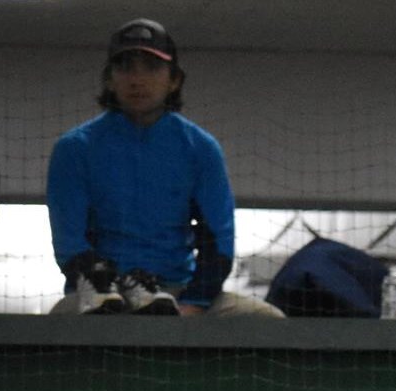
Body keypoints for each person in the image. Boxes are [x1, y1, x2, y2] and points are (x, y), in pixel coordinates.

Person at [46, 19, 283, 317]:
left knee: (267, 320)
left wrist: (192, 306)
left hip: (179, 292)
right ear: (109, 80)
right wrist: (103, 290)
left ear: (174, 80)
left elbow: (218, 241)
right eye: (126, 67)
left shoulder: (200, 148)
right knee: (60, 321)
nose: (137, 79)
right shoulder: (74, 149)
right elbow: (69, 242)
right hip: (101, 296)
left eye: (151, 67)